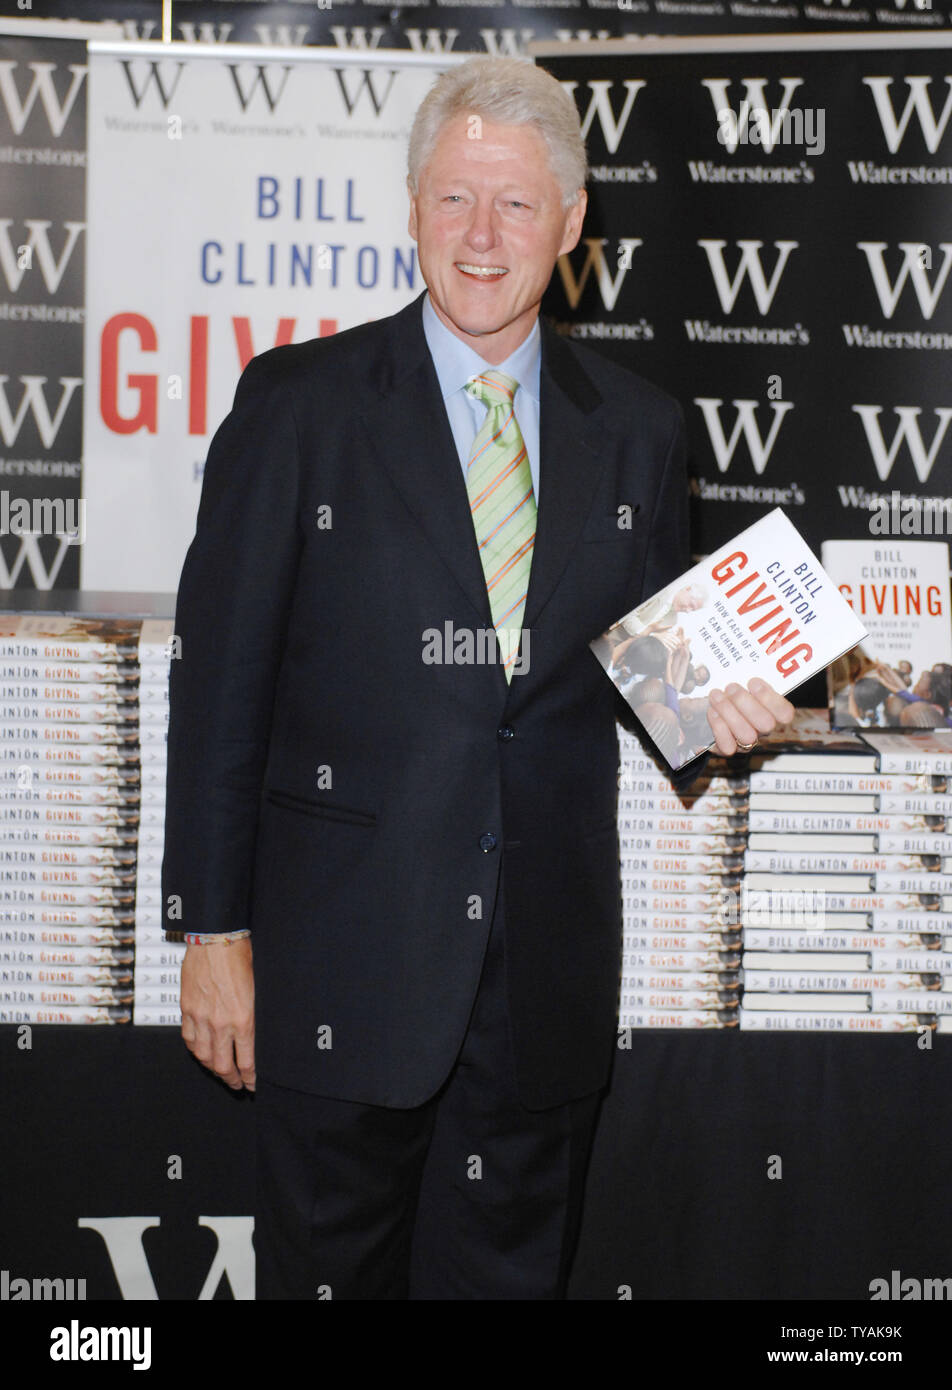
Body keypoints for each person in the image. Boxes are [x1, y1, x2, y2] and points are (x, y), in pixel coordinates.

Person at [161, 55, 794, 1302]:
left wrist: (718, 713)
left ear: (569, 224)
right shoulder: (297, 406)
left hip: (539, 989)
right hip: (339, 970)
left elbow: (644, 675)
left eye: (515, 204)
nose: (482, 236)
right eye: (453, 199)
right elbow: (217, 685)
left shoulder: (642, 426)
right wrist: (212, 931)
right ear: (411, 211)